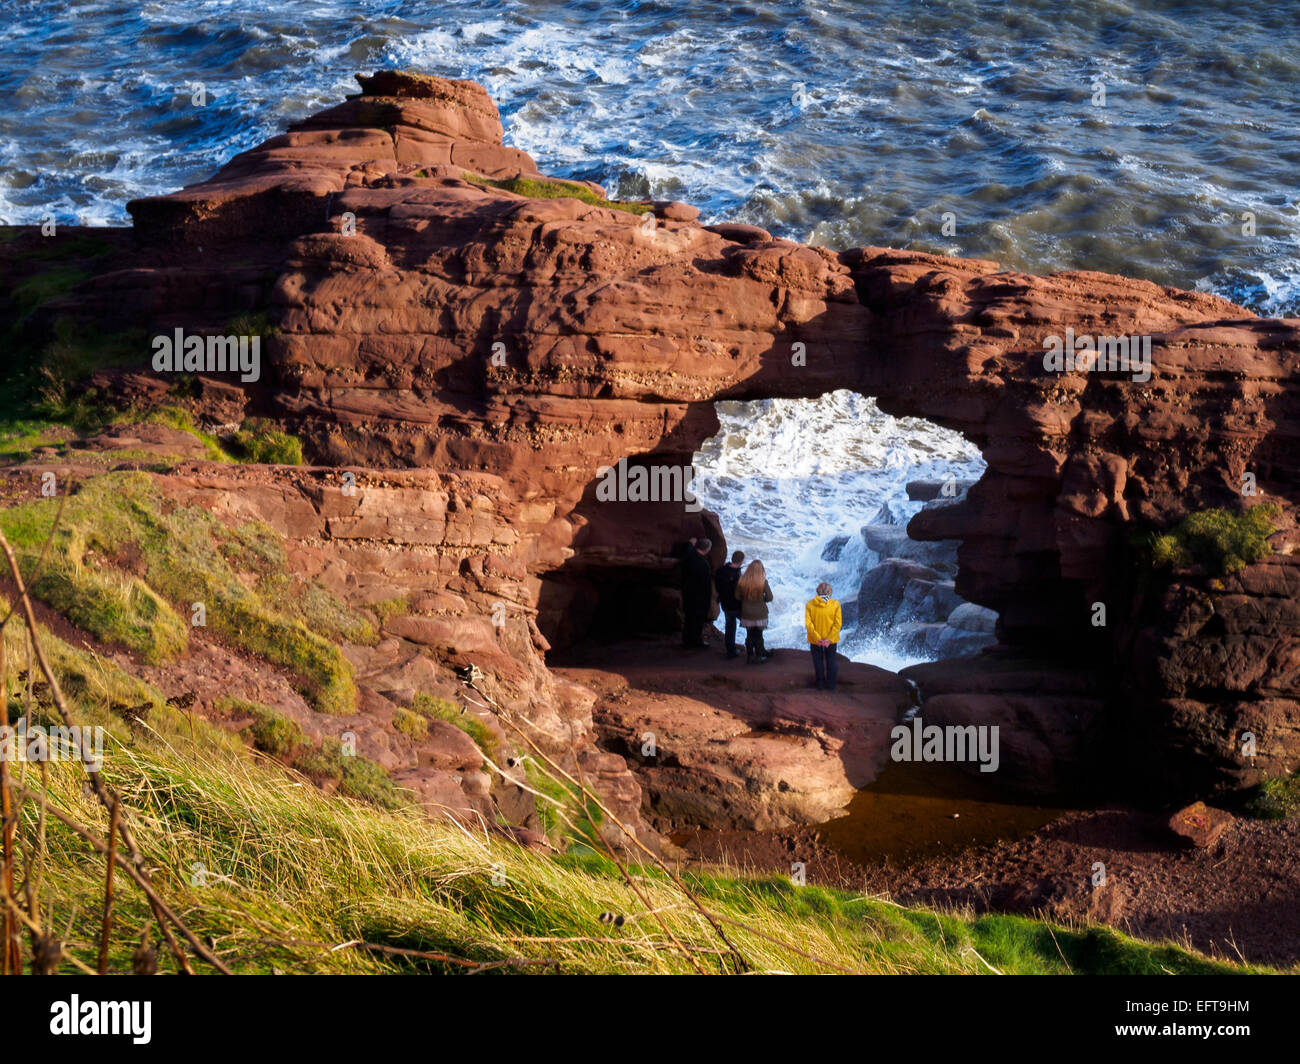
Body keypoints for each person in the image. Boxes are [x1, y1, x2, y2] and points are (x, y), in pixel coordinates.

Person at [804, 581, 842, 691]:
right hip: (831, 640)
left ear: (817, 591)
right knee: (831, 660)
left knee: (818, 661)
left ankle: (820, 683)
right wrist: (828, 639)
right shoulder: (835, 605)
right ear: (830, 592)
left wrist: (818, 638)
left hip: (815, 640)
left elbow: (808, 624)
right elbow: (838, 624)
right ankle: (831, 685)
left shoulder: (810, 604)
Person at [736, 560, 773, 664]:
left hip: (746, 613)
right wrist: (762, 600)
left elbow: (737, 597)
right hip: (760, 613)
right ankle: (759, 657)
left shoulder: (742, 581)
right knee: (759, 635)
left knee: (749, 635)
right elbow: (770, 597)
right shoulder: (763, 582)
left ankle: (750, 656)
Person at [680, 536, 713, 648]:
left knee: (689, 618)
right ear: (707, 550)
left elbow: (687, 551)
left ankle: (686, 641)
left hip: (687, 593)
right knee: (697, 621)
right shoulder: (704, 565)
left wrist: (690, 543)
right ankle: (696, 642)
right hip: (699, 597)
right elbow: (706, 586)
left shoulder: (688, 557)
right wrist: (708, 602)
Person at [714, 549, 745, 659]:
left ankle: (730, 651)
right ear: (741, 561)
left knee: (730, 627)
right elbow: (739, 593)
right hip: (736, 606)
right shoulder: (737, 575)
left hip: (725, 604)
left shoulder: (721, 570)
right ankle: (753, 650)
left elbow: (717, 585)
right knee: (751, 626)